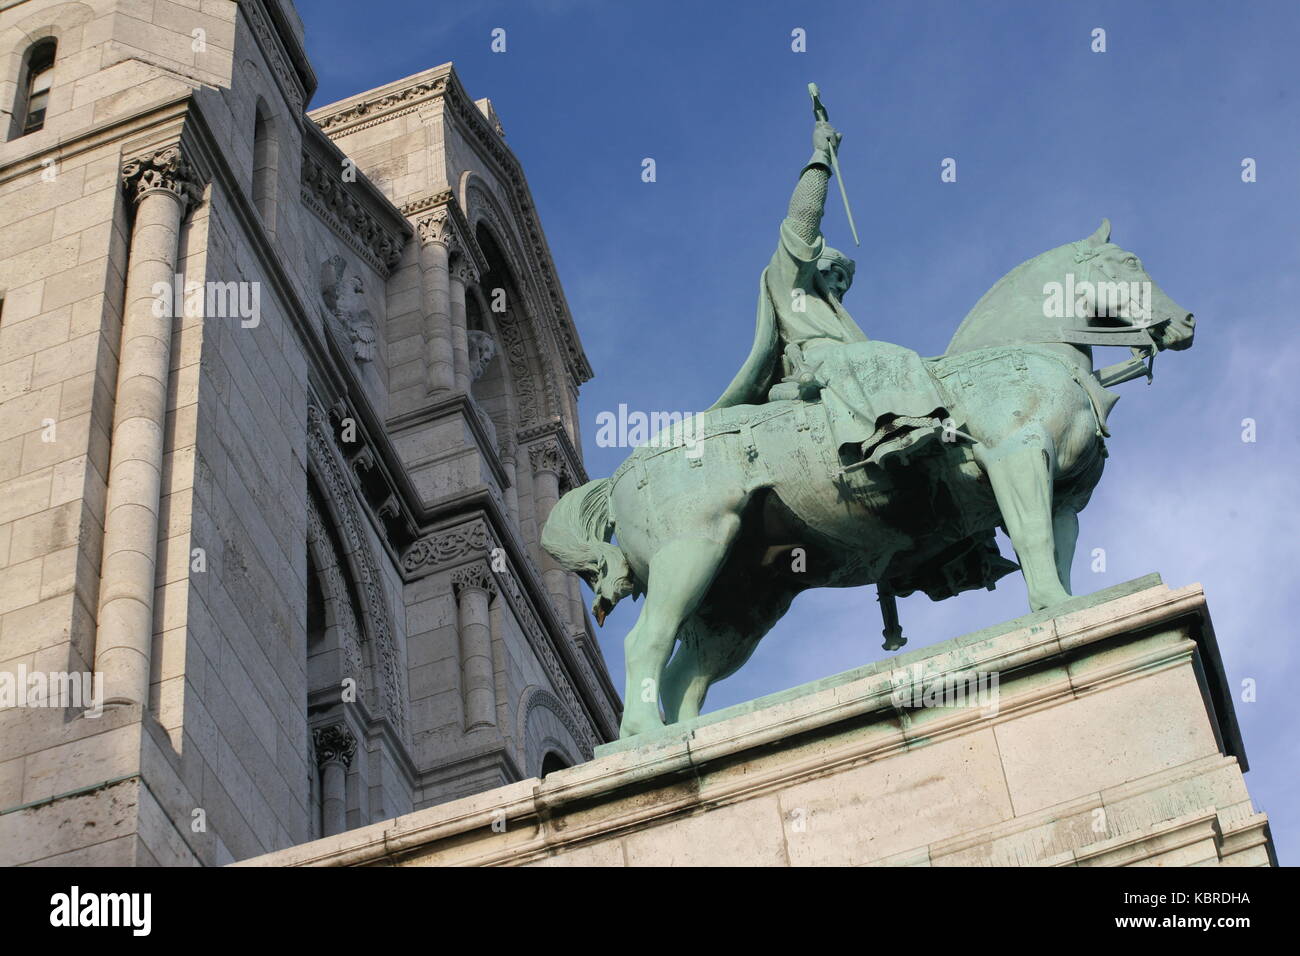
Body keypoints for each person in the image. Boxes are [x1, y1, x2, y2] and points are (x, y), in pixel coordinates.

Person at [712, 118, 947, 469]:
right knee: (878, 356)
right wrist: (821, 157)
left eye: (843, 280)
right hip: (818, 361)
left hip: (845, 359)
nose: (838, 284)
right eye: (833, 274)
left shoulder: (834, 313)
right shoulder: (788, 280)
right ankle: (889, 437)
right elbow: (803, 218)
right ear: (813, 266)